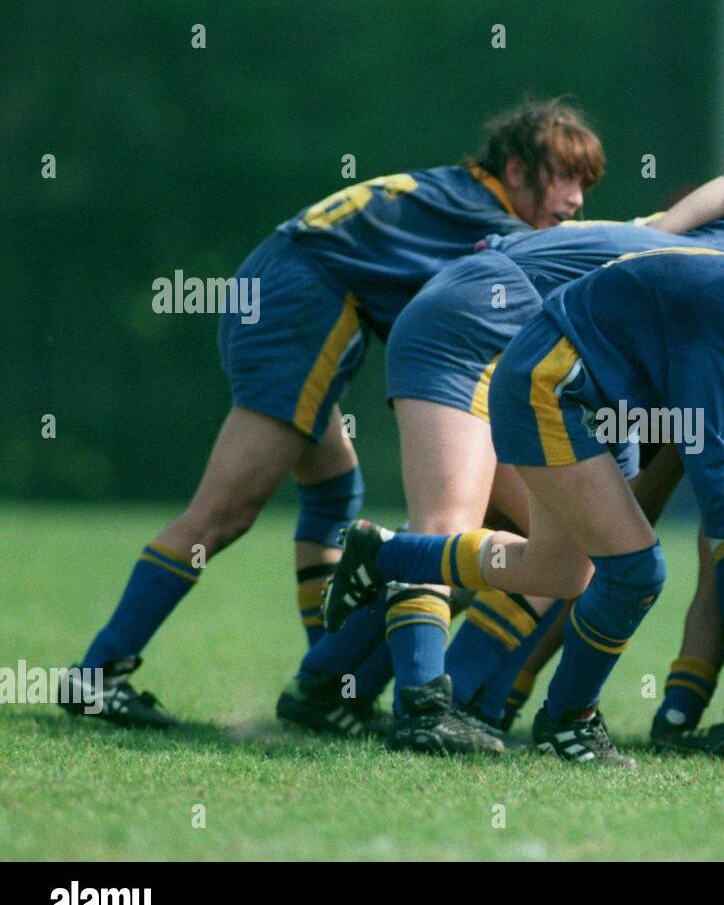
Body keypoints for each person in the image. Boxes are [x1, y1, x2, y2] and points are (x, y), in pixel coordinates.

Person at [61, 100, 604, 728]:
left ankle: (330, 681)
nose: (575, 198)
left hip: (281, 293)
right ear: (515, 170)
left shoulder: (453, 195)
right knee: (223, 512)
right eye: (564, 177)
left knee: (332, 489)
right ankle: (96, 675)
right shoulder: (484, 219)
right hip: (297, 306)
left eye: (584, 183)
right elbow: (566, 263)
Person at [323, 191, 724, 767]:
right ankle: (568, 721)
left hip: (598, 408)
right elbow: (710, 458)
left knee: (558, 571)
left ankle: (389, 556)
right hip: (551, 385)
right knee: (637, 569)